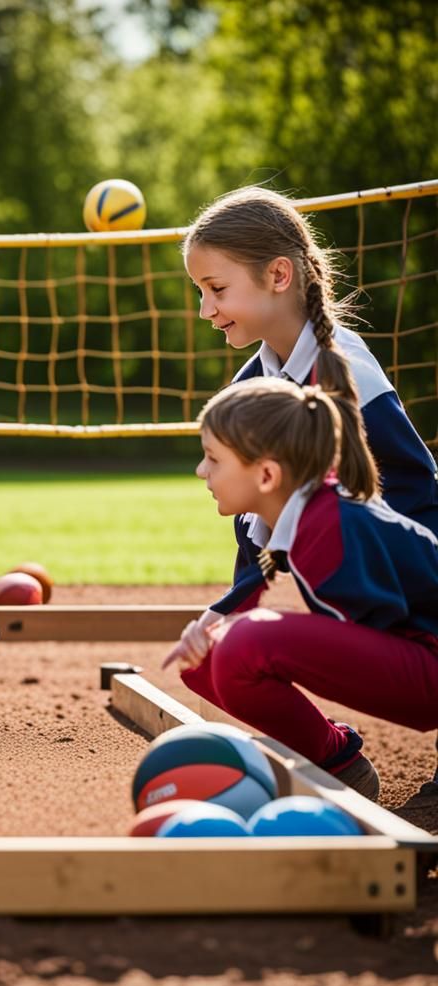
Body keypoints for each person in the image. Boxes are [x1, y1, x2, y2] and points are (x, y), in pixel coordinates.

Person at [163, 377, 438, 800]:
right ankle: (339, 763)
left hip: (428, 663)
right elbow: (277, 562)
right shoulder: (306, 514)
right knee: (207, 658)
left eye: (213, 459)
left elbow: (383, 624)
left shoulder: (334, 525)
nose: (202, 471)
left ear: (268, 474)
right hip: (416, 658)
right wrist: (220, 626)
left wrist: (250, 631)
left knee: (244, 643)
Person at [183, 186, 438, 625]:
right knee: (216, 660)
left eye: (217, 289)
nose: (206, 309)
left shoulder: (349, 376)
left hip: (403, 603)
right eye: (200, 292)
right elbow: (254, 524)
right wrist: (234, 605)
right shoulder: (251, 384)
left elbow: (416, 496)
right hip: (336, 591)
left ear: (279, 275)